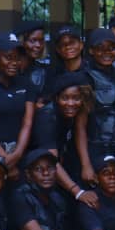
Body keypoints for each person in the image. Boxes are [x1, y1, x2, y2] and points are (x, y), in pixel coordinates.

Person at [30, 71, 99, 208]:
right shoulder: (47, 116)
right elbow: (51, 159)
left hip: (60, 158)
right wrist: (78, 192)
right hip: (39, 168)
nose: (70, 103)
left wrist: (86, 166)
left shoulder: (77, 109)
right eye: (65, 98)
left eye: (76, 98)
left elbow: (80, 129)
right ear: (56, 98)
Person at [79, 28, 115, 181]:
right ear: (91, 50)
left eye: (110, 48)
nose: (107, 52)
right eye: (100, 48)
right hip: (96, 148)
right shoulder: (86, 77)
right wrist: (85, 164)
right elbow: (80, 126)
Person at [0, 31, 36, 178]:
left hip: (20, 155)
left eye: (17, 58)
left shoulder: (27, 83)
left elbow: (27, 123)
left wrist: (16, 155)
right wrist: (3, 160)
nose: (14, 63)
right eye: (8, 57)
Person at [15, 19, 48, 99]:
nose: (38, 45)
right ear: (21, 41)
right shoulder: (7, 69)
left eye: (41, 41)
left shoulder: (44, 72)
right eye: (33, 40)